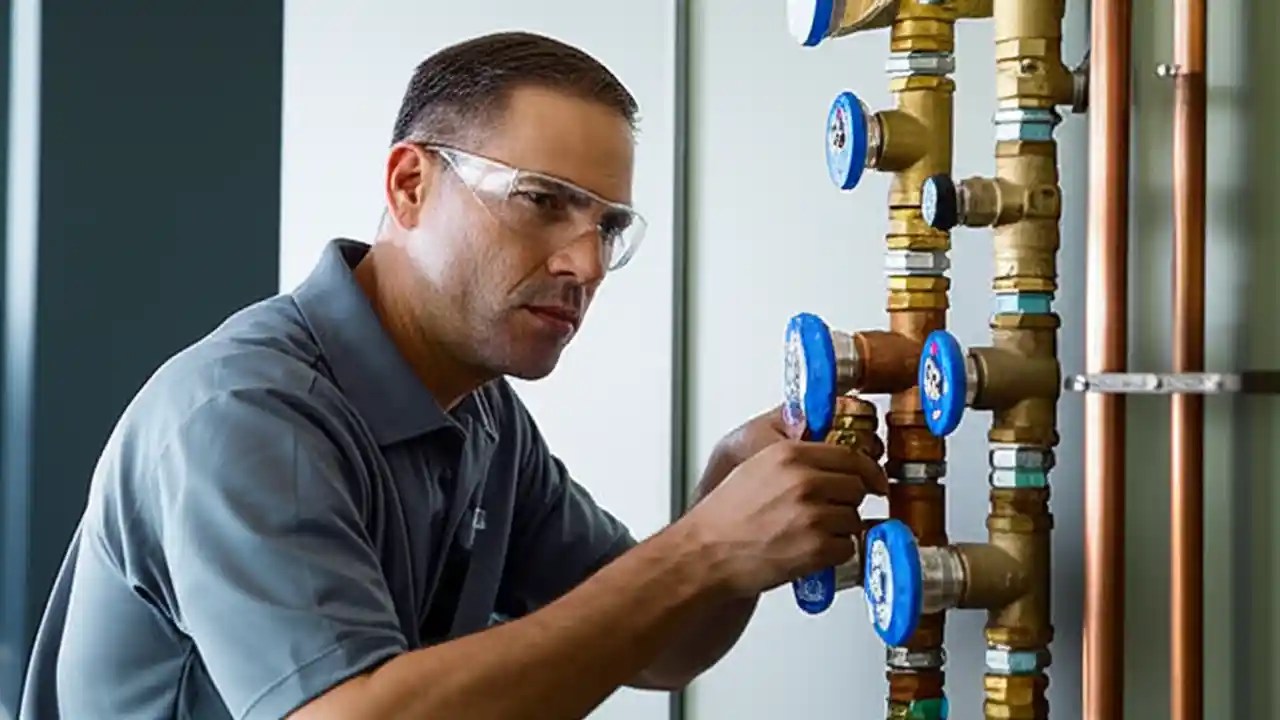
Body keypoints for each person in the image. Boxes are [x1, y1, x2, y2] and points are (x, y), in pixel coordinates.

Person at [18, 31, 887, 720]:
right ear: (408, 185)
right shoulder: (246, 416)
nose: (585, 263)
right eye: (542, 201)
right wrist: (702, 550)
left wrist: (724, 505)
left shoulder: (480, 418)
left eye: (608, 226)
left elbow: (656, 647)